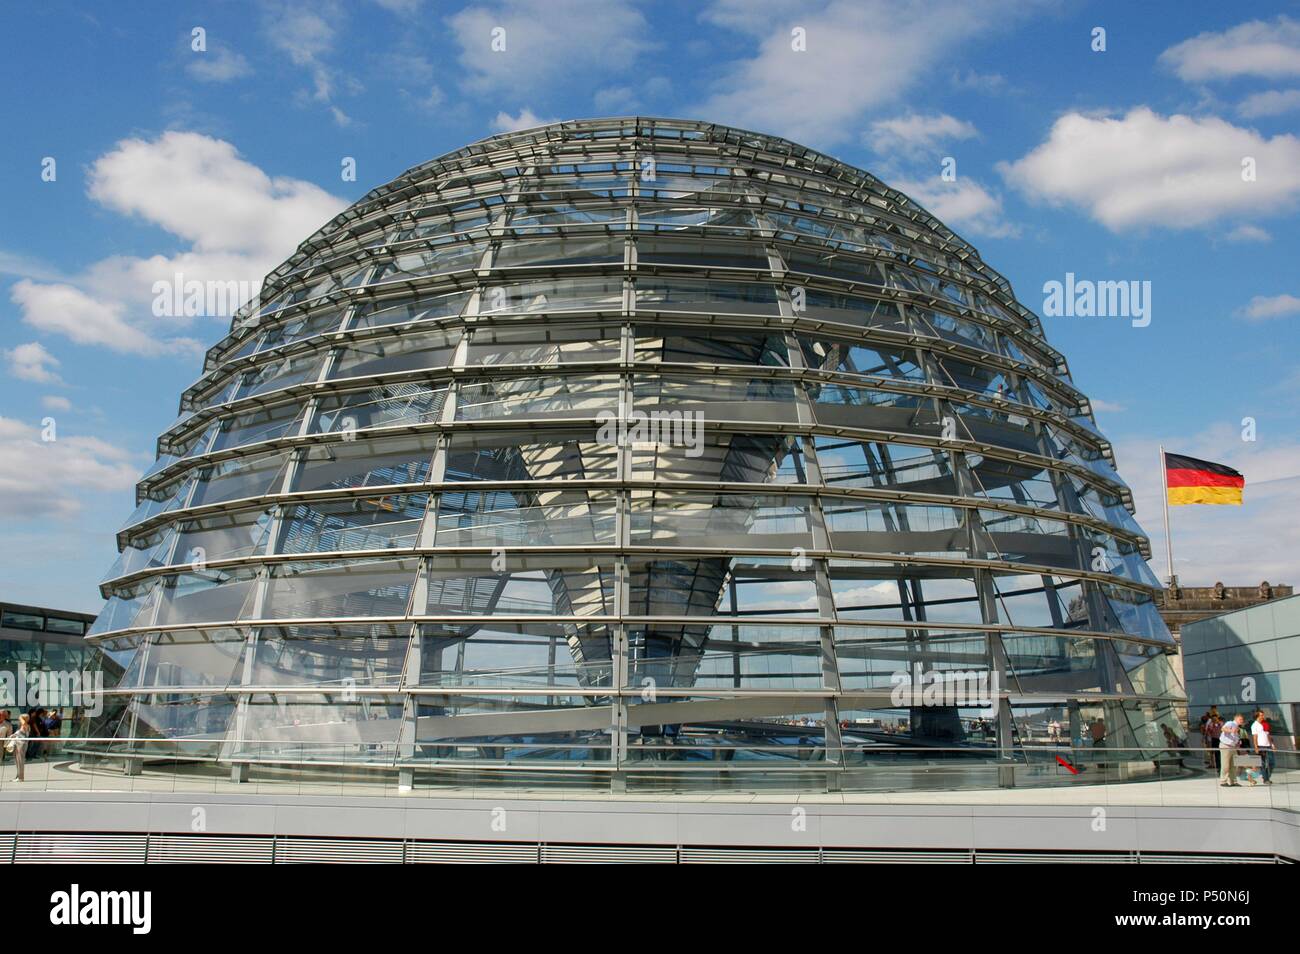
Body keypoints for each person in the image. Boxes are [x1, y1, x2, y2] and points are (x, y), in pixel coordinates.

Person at [1219, 713, 1245, 787]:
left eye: (1242, 720)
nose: (1242, 721)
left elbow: (1235, 738)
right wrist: (1231, 731)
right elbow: (1223, 729)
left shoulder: (1238, 728)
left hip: (1233, 747)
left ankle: (1233, 781)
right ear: (1236, 719)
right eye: (1240, 719)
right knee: (1225, 765)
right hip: (1226, 746)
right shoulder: (1230, 723)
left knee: (1233, 765)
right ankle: (1223, 781)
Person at [1250, 709, 1274, 785]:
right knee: (1263, 764)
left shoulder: (1265, 724)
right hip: (1261, 746)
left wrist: (1272, 745)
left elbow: (1268, 735)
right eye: (1261, 715)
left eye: (1263, 715)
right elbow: (1255, 737)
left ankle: (1266, 777)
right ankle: (1266, 779)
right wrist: (1256, 747)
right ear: (1257, 716)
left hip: (1268, 746)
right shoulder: (1255, 725)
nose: (1263, 716)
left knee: (1272, 763)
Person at [8, 714, 32, 782]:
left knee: (20, 760)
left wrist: (21, 718)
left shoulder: (26, 725)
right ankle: (18, 776)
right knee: (17, 760)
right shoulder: (21, 726)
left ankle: (21, 777)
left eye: (20, 718)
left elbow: (24, 723)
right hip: (17, 743)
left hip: (22, 744)